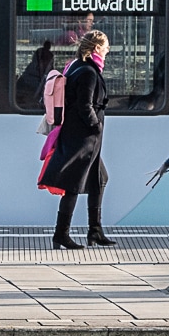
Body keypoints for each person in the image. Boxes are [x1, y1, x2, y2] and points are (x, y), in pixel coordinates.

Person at [42, 28, 113, 249]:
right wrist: (95, 125)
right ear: (97, 48)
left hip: (81, 135)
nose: (108, 50)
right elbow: (85, 105)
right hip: (83, 137)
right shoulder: (88, 72)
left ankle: (95, 230)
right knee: (73, 183)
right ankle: (61, 234)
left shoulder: (76, 65)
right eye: (106, 47)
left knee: (99, 178)